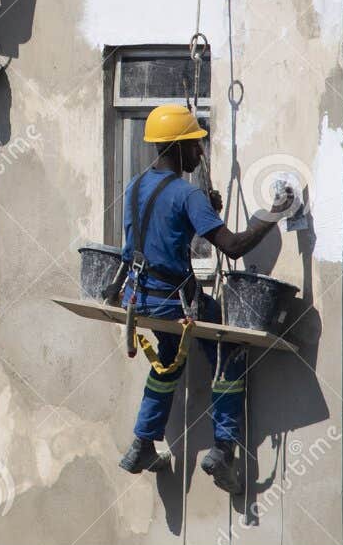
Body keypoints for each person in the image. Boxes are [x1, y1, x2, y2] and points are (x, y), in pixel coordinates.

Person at [115, 103, 293, 493]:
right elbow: (231, 246)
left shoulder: (134, 186)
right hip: (173, 301)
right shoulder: (186, 194)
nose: (199, 152)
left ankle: (143, 441)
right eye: (195, 145)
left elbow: (159, 233)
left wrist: (202, 213)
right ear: (177, 148)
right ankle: (223, 449)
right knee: (228, 350)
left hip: (139, 297)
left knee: (167, 362)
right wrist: (274, 214)